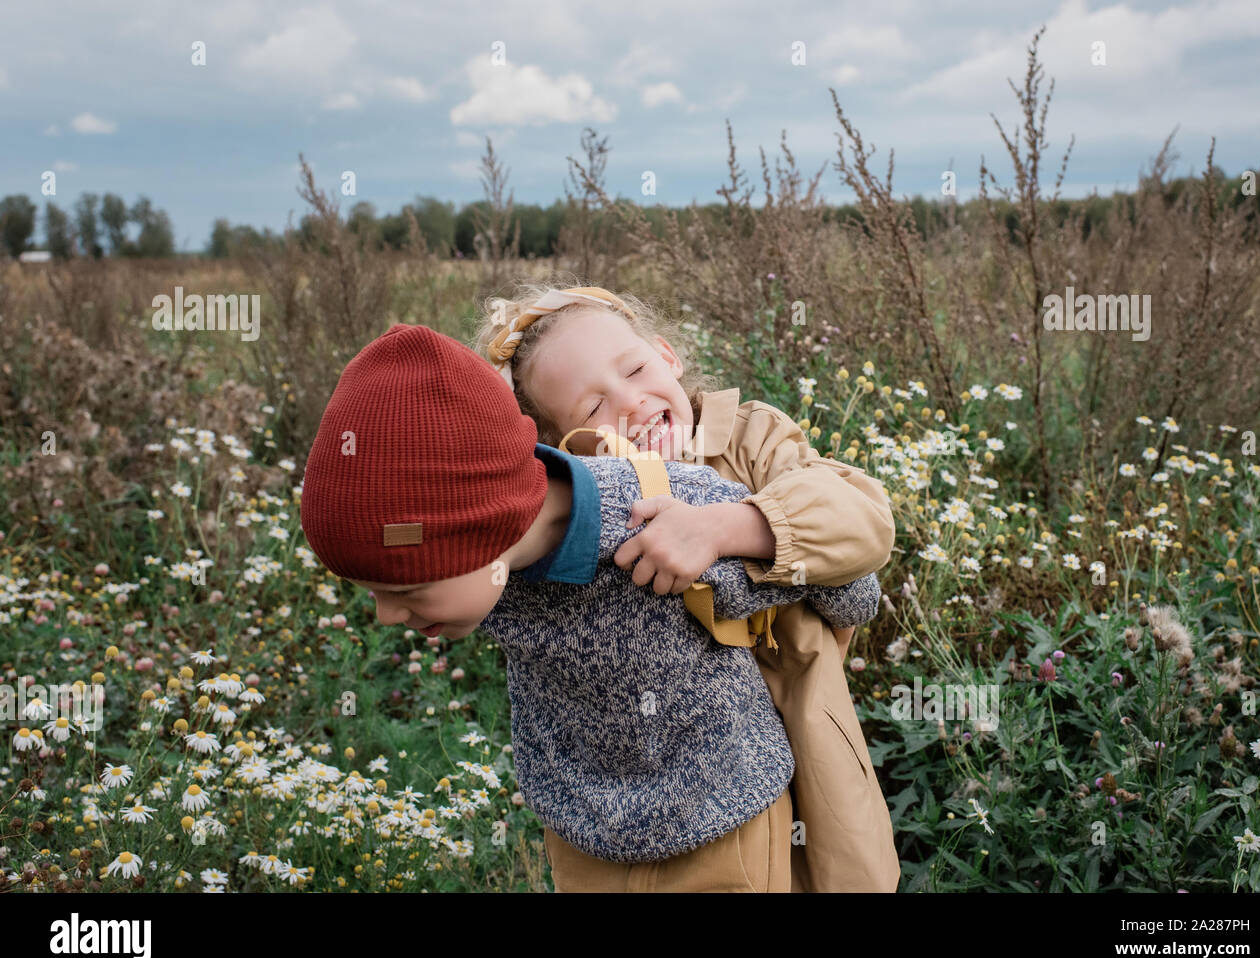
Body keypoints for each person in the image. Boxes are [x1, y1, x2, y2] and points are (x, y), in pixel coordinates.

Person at [299, 322, 881, 892]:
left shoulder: (663, 519)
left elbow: (853, 580)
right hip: (583, 834)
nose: (385, 615)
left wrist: (736, 531)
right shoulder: (494, 564)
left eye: (403, 590)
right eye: (593, 404)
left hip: (725, 822)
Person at [472, 282, 900, 892]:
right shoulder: (589, 510)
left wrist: (723, 526)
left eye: (637, 368)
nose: (631, 402)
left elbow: (862, 519)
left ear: (668, 355)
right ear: (557, 447)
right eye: (592, 408)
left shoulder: (750, 437)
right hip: (681, 782)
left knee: (833, 869)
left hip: (805, 724)